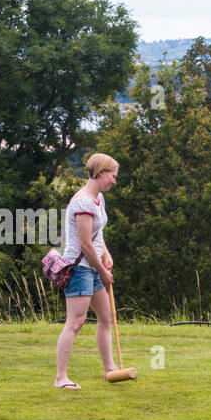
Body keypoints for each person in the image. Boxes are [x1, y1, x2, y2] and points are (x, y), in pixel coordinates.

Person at [54, 153, 119, 390]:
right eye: (113, 176)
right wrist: (102, 271)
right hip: (80, 268)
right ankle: (61, 378)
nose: (114, 181)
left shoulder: (98, 198)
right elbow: (84, 244)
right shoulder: (83, 202)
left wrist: (106, 254)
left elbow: (96, 234)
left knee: (106, 317)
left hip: (93, 265)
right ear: (101, 173)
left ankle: (110, 369)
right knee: (76, 321)